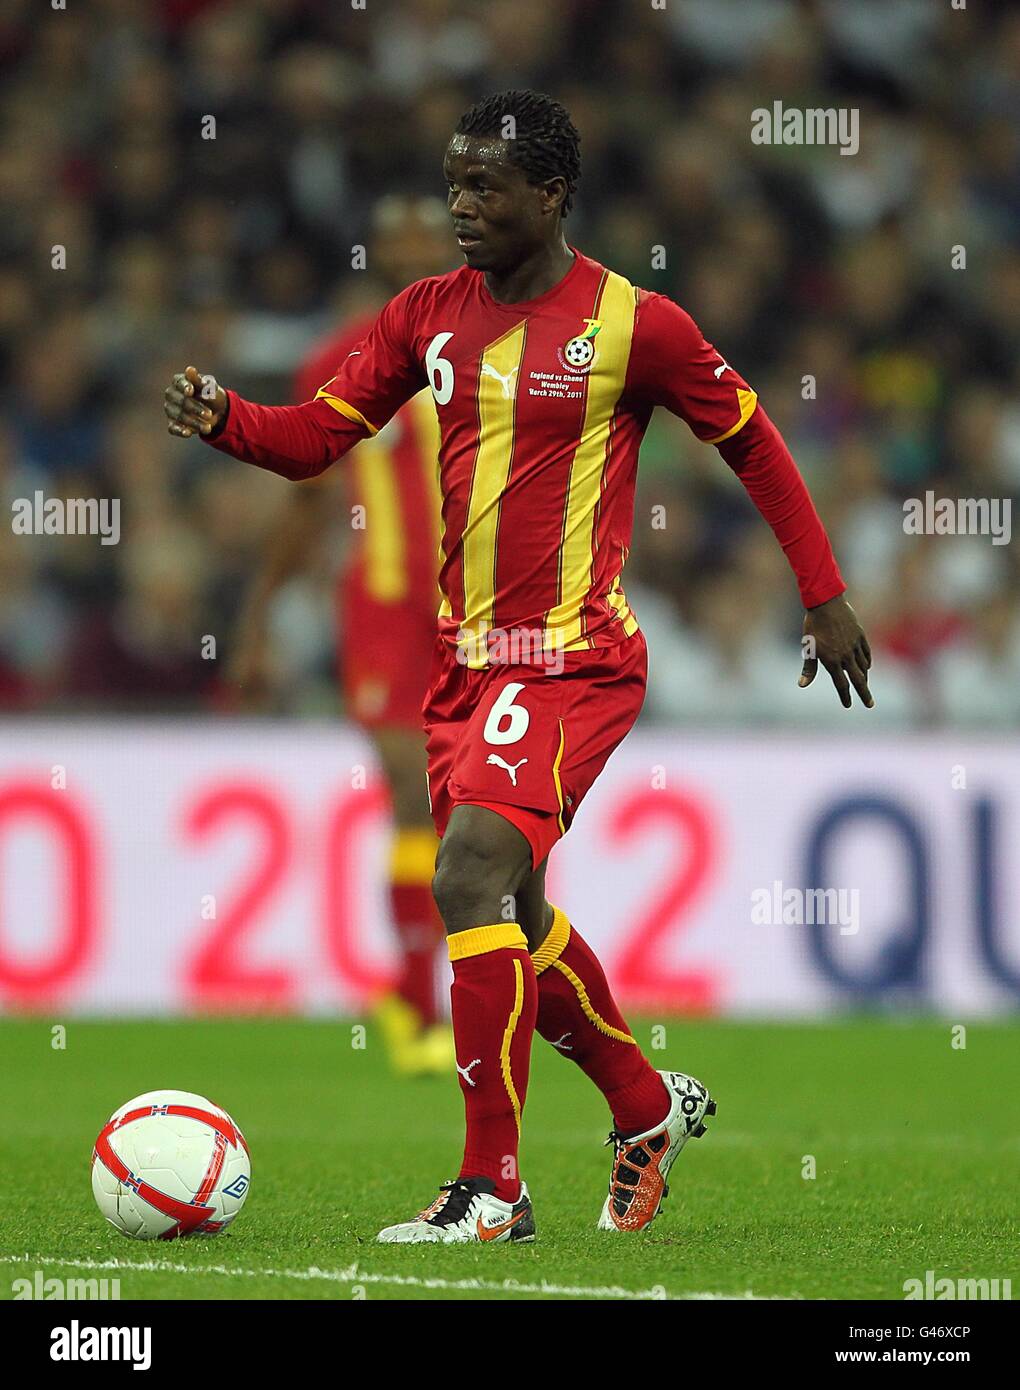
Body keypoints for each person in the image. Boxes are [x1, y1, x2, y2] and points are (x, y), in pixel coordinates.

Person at [165, 89, 873, 1244]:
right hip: (463, 671)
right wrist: (224, 418)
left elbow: (752, 435)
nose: (461, 206)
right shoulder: (423, 316)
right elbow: (316, 438)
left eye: (485, 186)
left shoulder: (636, 326)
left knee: (465, 877)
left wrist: (824, 592)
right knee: (521, 922)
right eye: (453, 183)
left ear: (551, 194)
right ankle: (646, 1110)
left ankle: (491, 1186)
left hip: (575, 663)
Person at [229, 195, 456, 1077]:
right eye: (395, 239)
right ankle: (414, 999)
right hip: (384, 610)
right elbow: (308, 497)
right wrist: (255, 622)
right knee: (411, 790)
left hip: (482, 612)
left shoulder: (500, 346)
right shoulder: (343, 359)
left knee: (468, 813)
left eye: (425, 239)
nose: (411, 252)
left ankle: (425, 993)